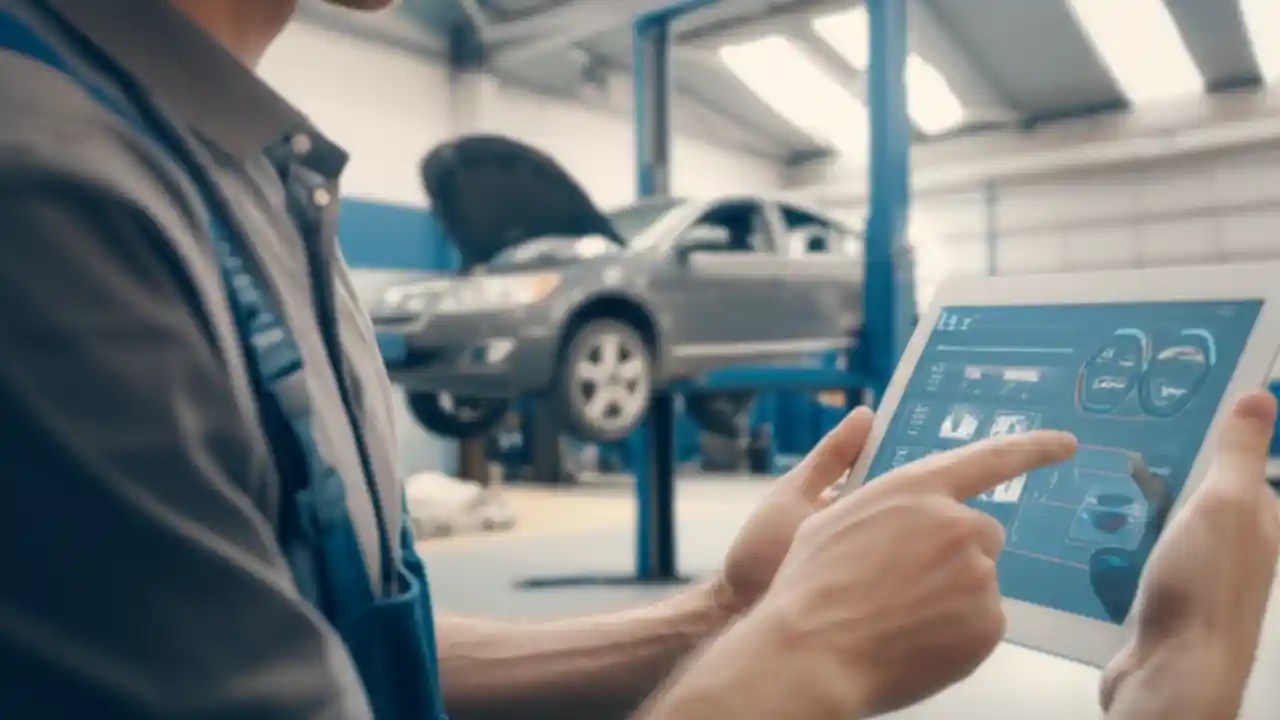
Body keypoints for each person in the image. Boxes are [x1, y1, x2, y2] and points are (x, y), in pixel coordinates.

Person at [0, 1, 1274, 718]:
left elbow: (325, 649)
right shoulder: (53, 196)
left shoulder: (238, 167)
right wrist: (1172, 680)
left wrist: (727, 613)